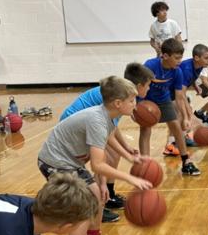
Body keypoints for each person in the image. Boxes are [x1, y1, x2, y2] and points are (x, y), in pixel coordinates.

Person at [38, 76, 155, 235]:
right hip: (54, 163)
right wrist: (130, 179)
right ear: (118, 103)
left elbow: (106, 140)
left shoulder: (106, 117)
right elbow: (98, 164)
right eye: (131, 101)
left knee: (98, 196)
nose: (135, 105)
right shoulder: (97, 119)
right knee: (85, 202)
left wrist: (108, 176)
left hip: (70, 162)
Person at [60, 62, 155, 216]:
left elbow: (112, 128)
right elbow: (104, 132)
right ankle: (99, 202)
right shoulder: (116, 97)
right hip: (73, 125)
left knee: (114, 154)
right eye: (148, 85)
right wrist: (127, 154)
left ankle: (108, 194)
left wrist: (125, 147)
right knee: (102, 158)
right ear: (138, 86)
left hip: (87, 124)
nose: (149, 89)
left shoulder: (123, 97)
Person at [141, 38, 201, 175]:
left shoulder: (177, 71)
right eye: (176, 58)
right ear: (165, 56)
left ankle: (186, 162)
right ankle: (145, 164)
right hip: (147, 100)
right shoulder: (150, 66)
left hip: (164, 100)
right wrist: (137, 106)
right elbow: (139, 86)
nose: (179, 61)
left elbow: (180, 97)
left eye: (181, 58)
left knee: (176, 125)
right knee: (145, 129)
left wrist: (186, 117)